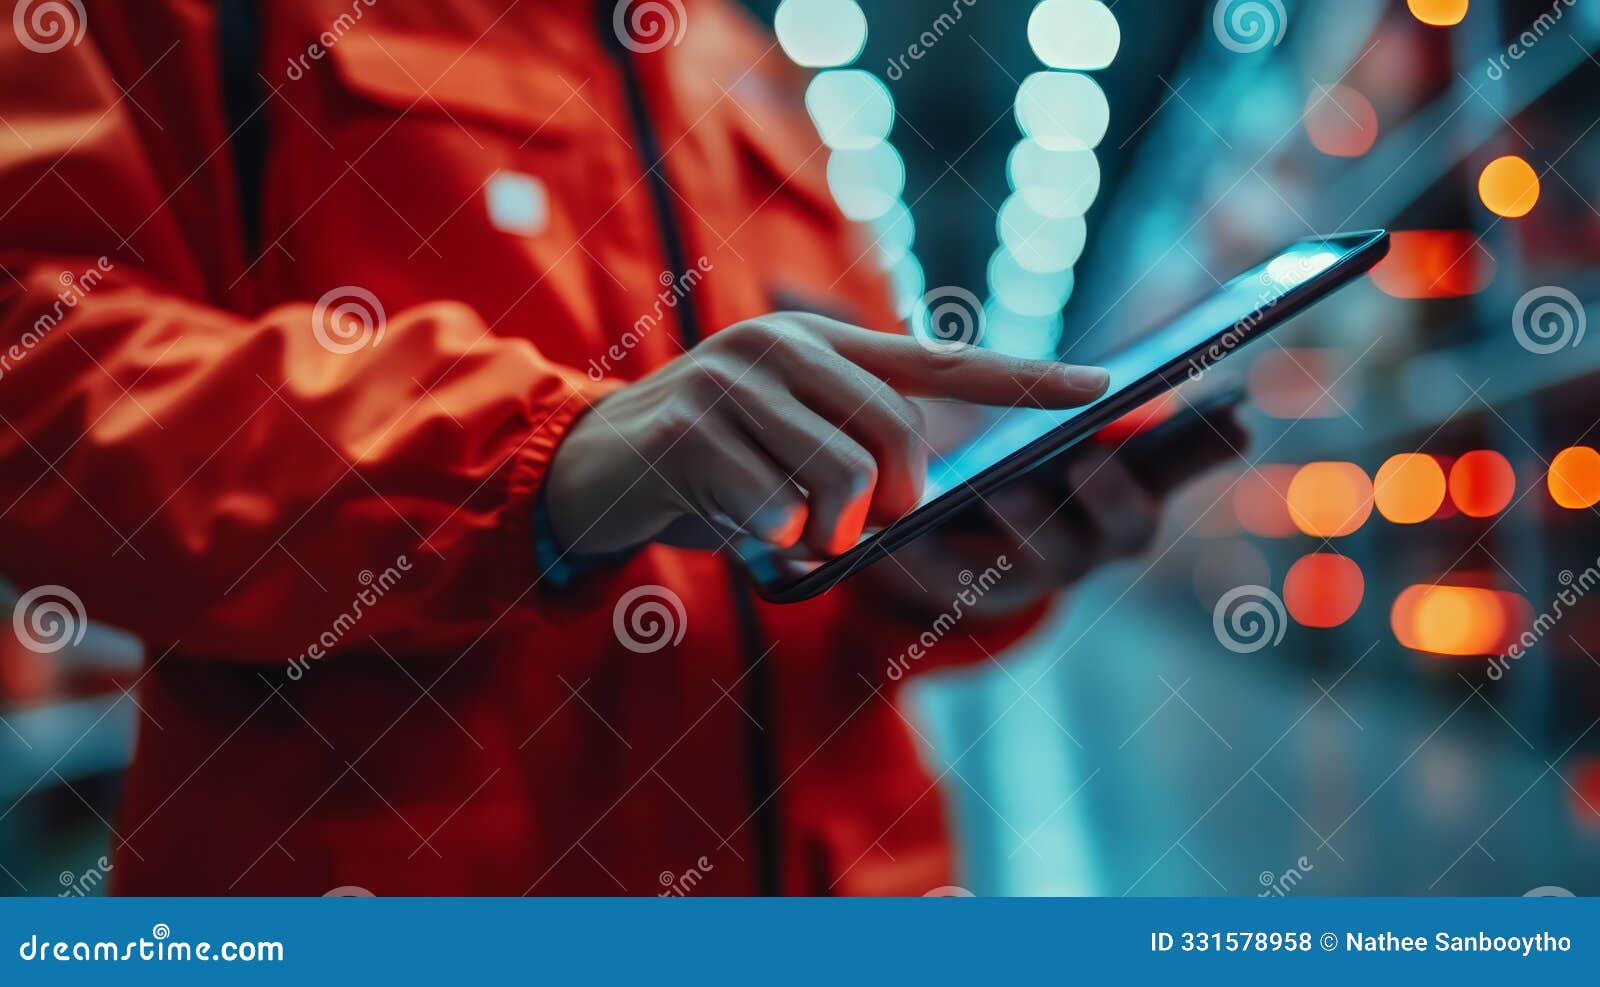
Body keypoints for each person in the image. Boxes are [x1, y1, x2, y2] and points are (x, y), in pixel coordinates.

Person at [0, 0, 1239, 894]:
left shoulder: (749, 71)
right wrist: (538, 461)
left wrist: (929, 567)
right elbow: (41, 382)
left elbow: (810, 534)